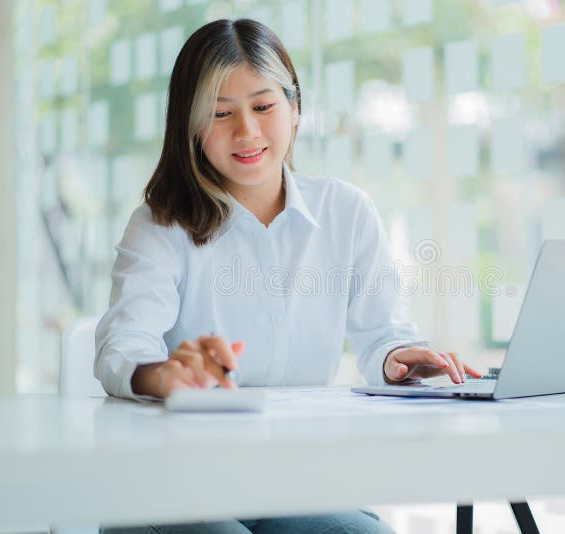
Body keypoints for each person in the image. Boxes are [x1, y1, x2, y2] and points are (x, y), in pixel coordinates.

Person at [95, 18, 481, 534]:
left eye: (263, 106)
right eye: (220, 113)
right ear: (191, 127)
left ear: (294, 108)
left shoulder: (346, 211)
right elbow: (123, 346)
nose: (247, 131)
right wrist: (164, 374)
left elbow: (383, 335)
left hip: (292, 483)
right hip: (175, 484)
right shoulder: (160, 224)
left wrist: (397, 357)